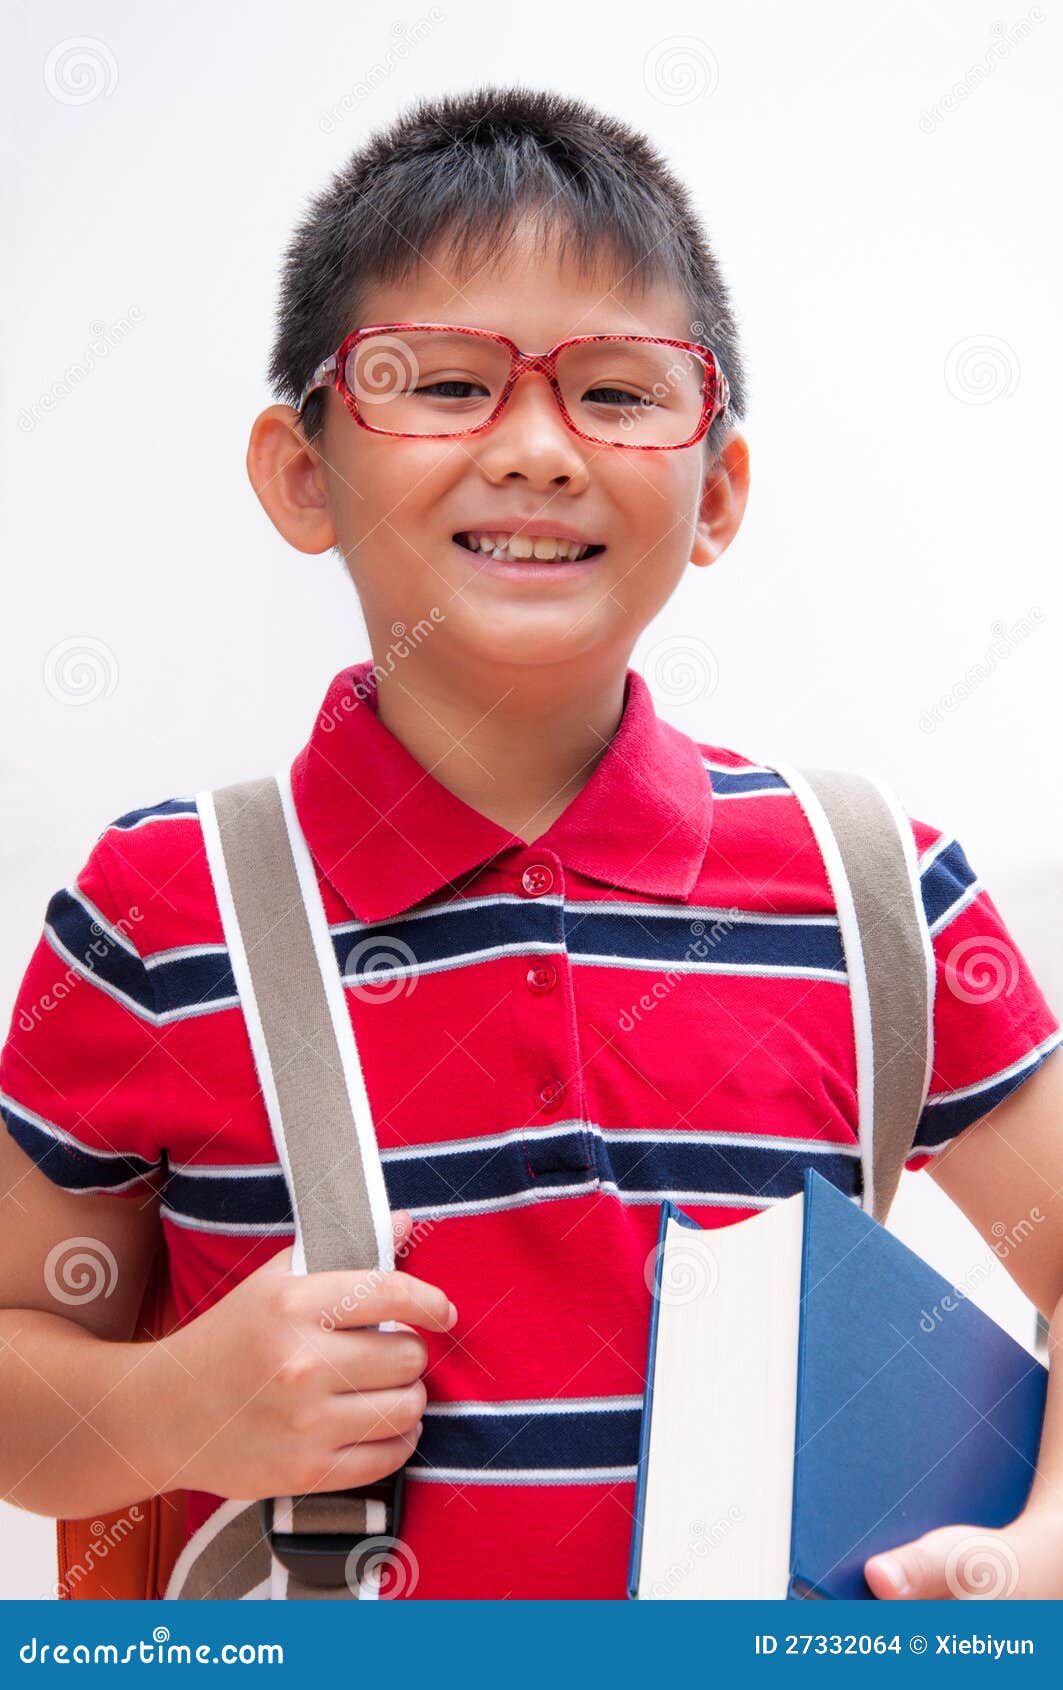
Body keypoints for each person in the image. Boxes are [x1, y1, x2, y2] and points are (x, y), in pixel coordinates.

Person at [2, 85, 1062, 1601]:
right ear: (302, 472)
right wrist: (173, 1407)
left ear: (719, 494)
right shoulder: (160, 908)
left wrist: (1036, 1554)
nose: (540, 449)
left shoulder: (871, 887)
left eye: (620, 393)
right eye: (441, 384)